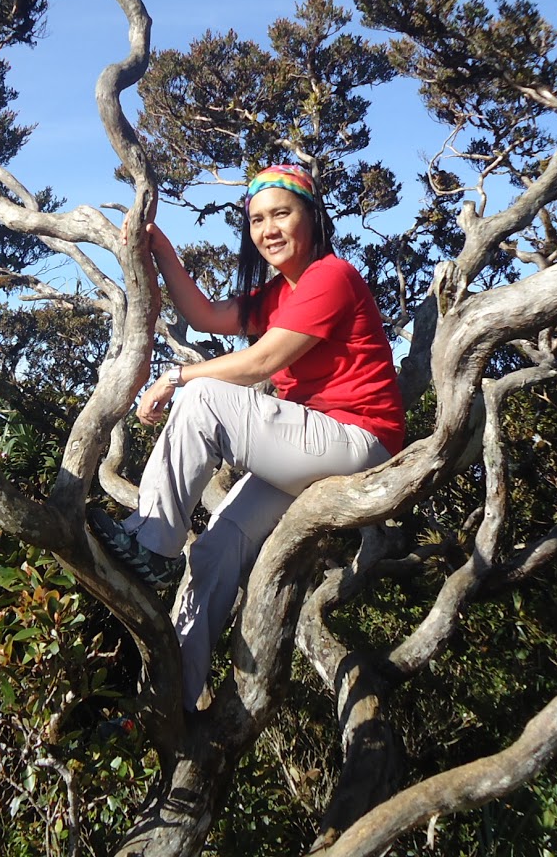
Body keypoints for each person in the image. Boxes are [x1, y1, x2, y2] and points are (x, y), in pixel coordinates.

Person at [90, 164, 405, 710]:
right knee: (215, 550)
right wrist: (157, 243)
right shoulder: (280, 293)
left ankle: (153, 542)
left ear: (313, 218)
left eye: (281, 214)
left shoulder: (331, 276)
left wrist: (175, 376)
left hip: (357, 441)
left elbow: (262, 361)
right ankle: (170, 702)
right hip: (314, 448)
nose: (268, 230)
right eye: (257, 220)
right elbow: (204, 315)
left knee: (202, 397)